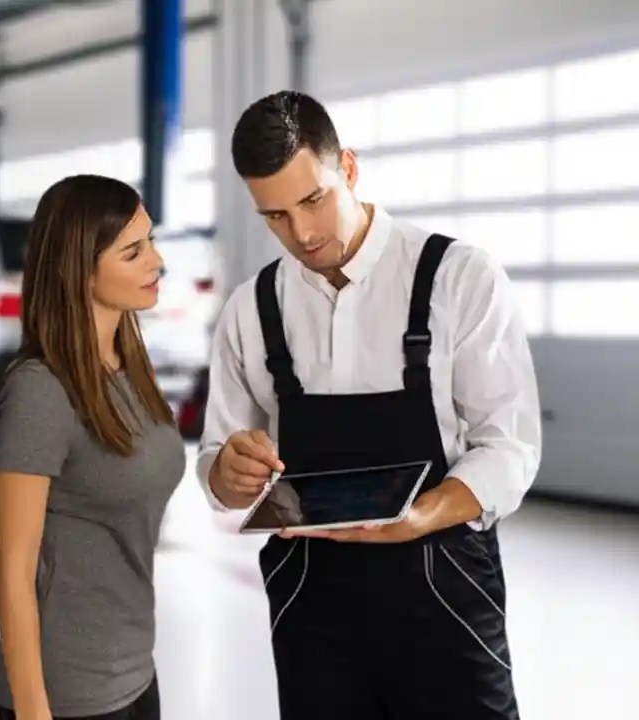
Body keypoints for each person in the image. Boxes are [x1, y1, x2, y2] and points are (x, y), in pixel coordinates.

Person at [197, 90, 541, 720]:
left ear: (348, 168)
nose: (302, 233)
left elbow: (509, 446)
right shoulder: (250, 309)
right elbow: (219, 467)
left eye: (313, 200)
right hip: (312, 606)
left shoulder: (459, 277)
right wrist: (227, 470)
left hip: (443, 587)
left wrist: (421, 515)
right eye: (275, 216)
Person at [0, 174, 186, 720]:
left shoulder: (129, 365)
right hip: (66, 691)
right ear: (78, 268)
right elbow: (13, 570)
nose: (157, 261)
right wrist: (33, 711)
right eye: (133, 251)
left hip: (134, 672)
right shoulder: (40, 391)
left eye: (150, 241)